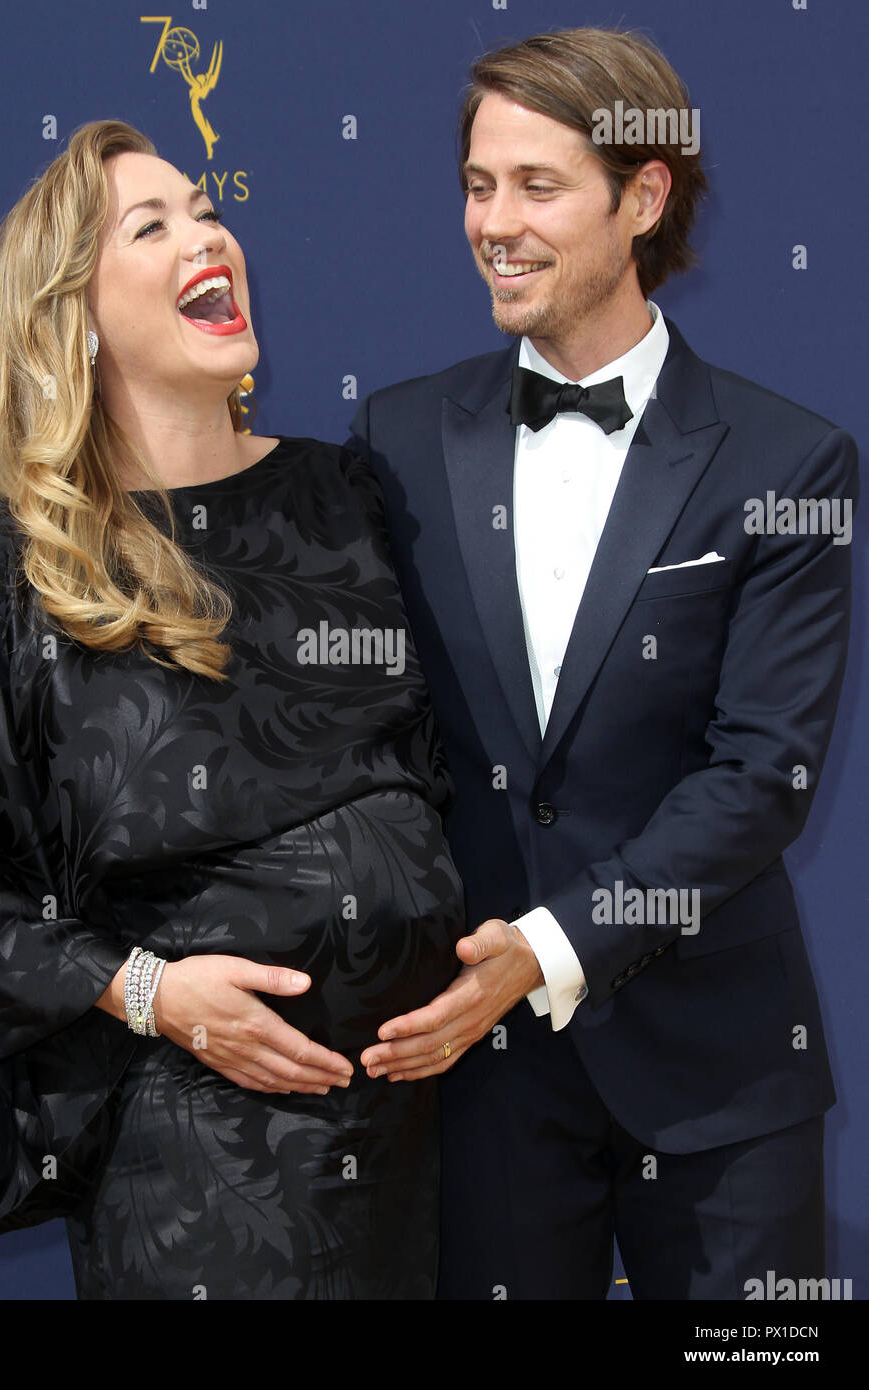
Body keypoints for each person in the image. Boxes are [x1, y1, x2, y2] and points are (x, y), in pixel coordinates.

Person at [0, 120, 465, 1300]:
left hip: (424, 1143)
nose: (207, 234)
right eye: (153, 224)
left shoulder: (348, 492)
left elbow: (451, 769)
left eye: (206, 212)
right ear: (71, 316)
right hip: (193, 1173)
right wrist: (152, 993)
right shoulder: (1, 572)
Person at [350, 27, 858, 1299]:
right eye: (477, 185)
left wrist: (552, 944)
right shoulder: (399, 436)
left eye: (537, 185)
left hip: (721, 1078)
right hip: (484, 1084)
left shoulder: (788, 464)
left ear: (643, 196)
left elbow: (760, 776)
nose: (494, 223)